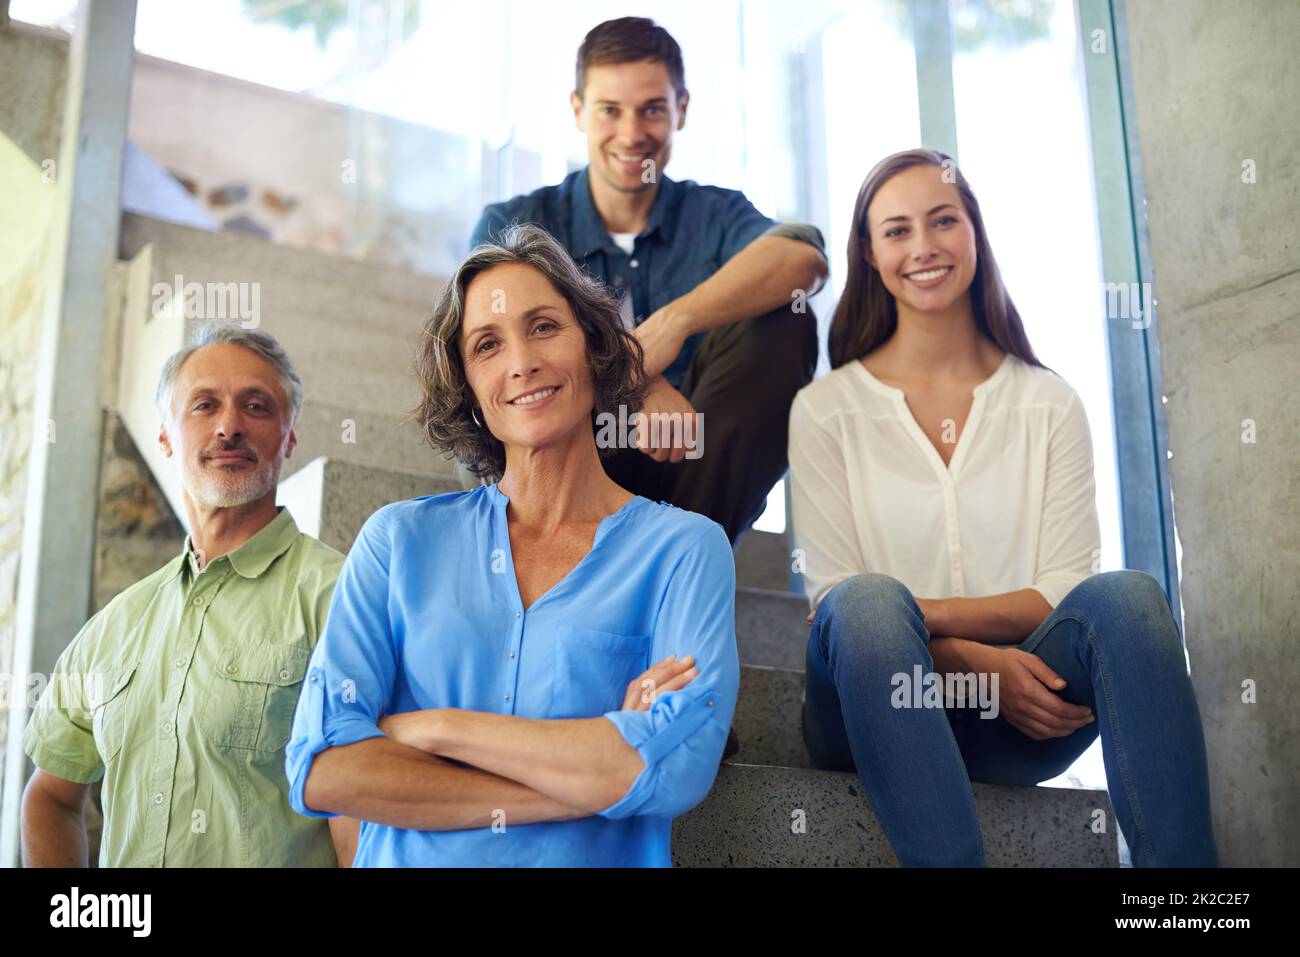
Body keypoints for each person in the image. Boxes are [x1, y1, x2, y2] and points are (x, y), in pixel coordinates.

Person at [788, 148, 1219, 867]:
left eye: (943, 221)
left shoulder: (1048, 402)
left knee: (1128, 597)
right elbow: (834, 599)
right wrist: (974, 663)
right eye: (896, 230)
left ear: (975, 235)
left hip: (1023, 712)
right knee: (865, 603)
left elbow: (1057, 590)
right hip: (869, 707)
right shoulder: (825, 409)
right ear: (870, 252)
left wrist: (938, 626)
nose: (923, 247)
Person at [285, 224, 739, 867]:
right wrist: (600, 768)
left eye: (545, 327)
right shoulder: (397, 541)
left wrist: (436, 728)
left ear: (594, 347)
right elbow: (324, 768)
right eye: (488, 344)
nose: (521, 362)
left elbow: (682, 767)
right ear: (468, 385)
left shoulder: (685, 552)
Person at [471, 16, 827, 547]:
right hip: (569, 465)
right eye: (610, 110)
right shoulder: (517, 223)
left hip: (694, 474)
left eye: (652, 109)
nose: (632, 134)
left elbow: (804, 260)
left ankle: (681, 552)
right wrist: (639, 379)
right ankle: (658, 561)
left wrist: (676, 322)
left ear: (681, 108)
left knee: (782, 318)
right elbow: (496, 354)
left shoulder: (713, 213)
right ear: (578, 111)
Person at [21, 323, 358, 867]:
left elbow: (360, 812)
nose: (229, 427)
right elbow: (50, 798)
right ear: (164, 438)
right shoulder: (116, 624)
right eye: (204, 406)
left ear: (290, 436)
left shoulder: (339, 599)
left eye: (257, 407)